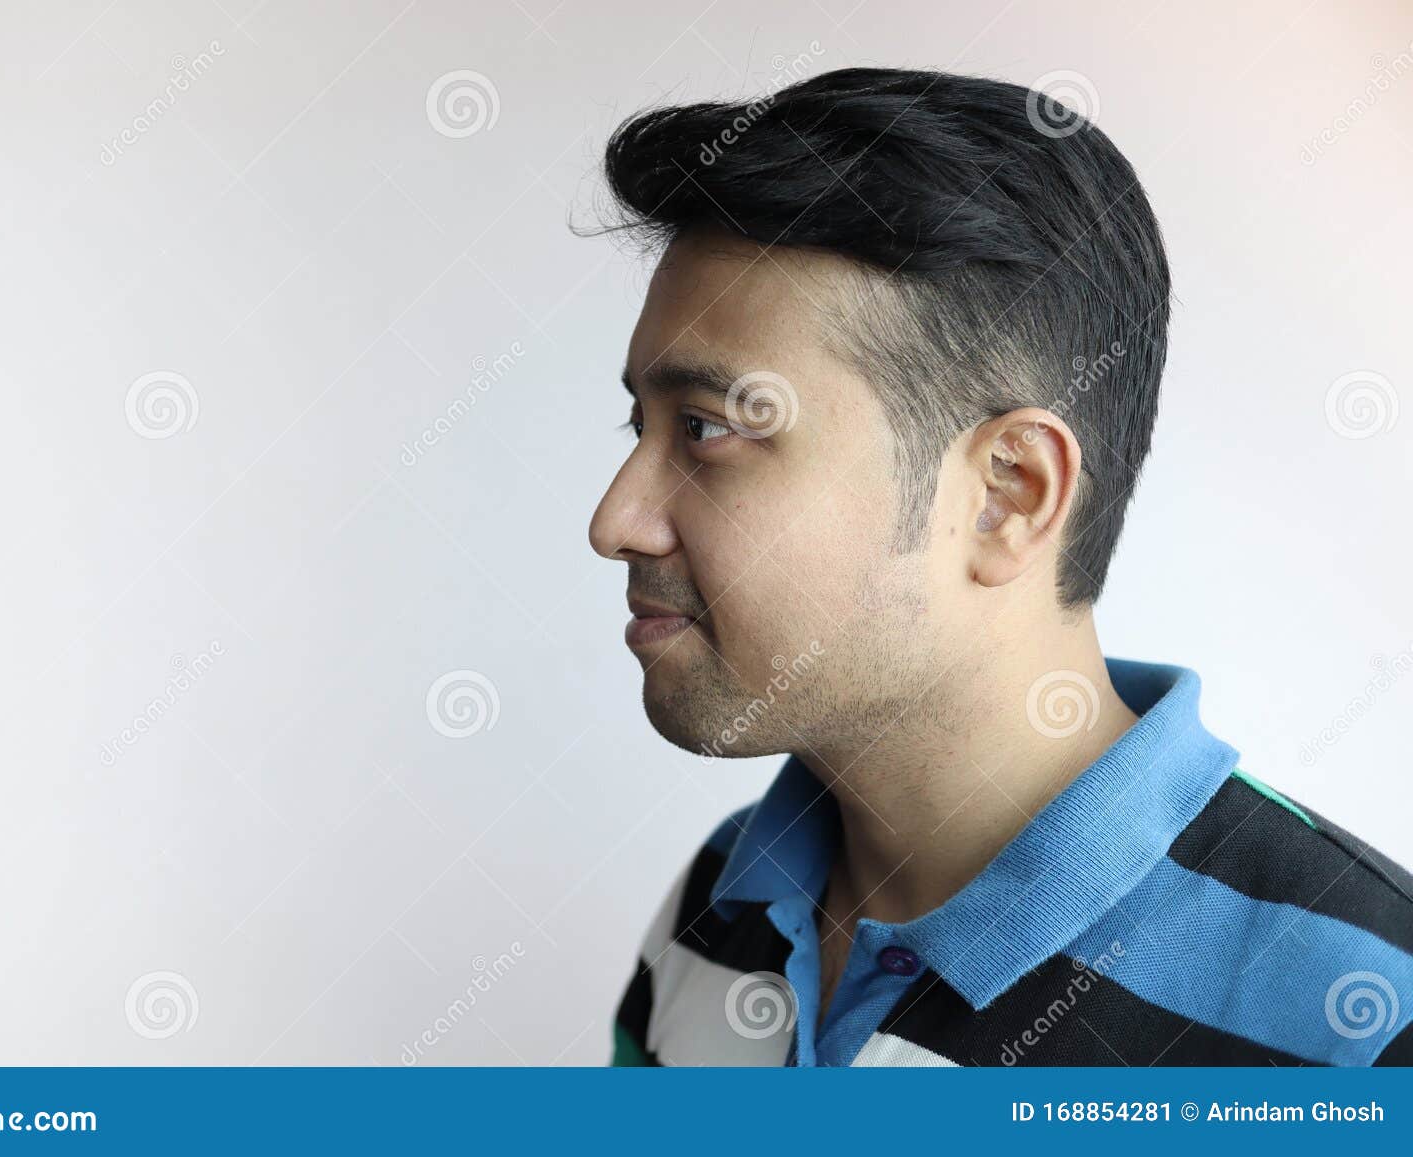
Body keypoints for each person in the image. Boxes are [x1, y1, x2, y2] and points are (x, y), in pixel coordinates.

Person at [583, 67, 1413, 1067]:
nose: (615, 519)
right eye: (642, 423)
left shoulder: (1364, 1020)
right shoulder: (716, 903)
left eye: (706, 428)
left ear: (1007, 493)